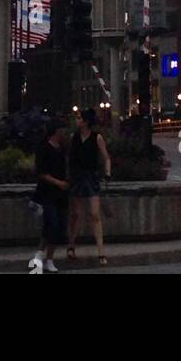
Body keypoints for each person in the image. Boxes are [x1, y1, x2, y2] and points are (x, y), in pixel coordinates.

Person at [67, 107, 112, 267]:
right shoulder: (74, 137)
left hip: (91, 177)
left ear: (85, 121)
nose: (76, 121)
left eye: (79, 118)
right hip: (78, 177)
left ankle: (101, 252)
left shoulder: (96, 137)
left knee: (95, 214)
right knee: (75, 214)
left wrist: (107, 172)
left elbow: (106, 157)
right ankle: (71, 245)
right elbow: (70, 159)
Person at [34, 120, 69, 272]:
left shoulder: (61, 149)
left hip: (60, 195)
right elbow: (41, 173)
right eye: (63, 130)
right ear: (57, 131)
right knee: (52, 224)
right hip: (47, 193)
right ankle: (41, 257)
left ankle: (48, 258)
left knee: (57, 227)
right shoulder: (44, 148)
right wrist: (58, 183)